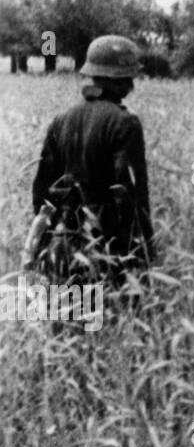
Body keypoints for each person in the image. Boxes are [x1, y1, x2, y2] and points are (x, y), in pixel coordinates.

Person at [30, 35, 155, 290]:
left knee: (70, 323)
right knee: (108, 324)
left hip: (64, 245)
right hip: (105, 248)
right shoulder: (125, 123)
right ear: (124, 80)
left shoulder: (61, 119)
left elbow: (41, 192)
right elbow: (130, 196)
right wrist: (143, 255)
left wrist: (50, 242)